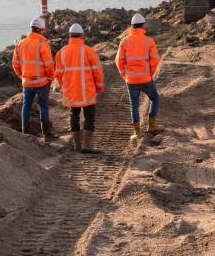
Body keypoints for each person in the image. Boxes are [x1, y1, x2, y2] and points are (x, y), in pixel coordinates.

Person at [54, 23, 104, 153]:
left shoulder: (61, 52)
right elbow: (97, 72)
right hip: (87, 91)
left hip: (71, 91)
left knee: (73, 115)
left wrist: (64, 86)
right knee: (89, 117)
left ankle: (77, 145)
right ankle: (87, 146)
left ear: (69, 36)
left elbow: (58, 74)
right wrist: (98, 87)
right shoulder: (89, 51)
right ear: (82, 35)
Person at [116, 13, 161, 141]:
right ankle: (151, 126)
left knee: (134, 105)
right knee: (155, 99)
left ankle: (137, 133)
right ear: (143, 26)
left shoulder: (124, 41)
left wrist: (125, 76)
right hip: (146, 78)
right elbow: (155, 60)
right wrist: (150, 74)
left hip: (131, 80)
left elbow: (119, 61)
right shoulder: (149, 40)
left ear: (131, 26)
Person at [12, 17, 55, 142]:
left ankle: (25, 133)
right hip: (42, 81)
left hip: (27, 82)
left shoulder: (20, 44)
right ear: (41, 30)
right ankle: (46, 135)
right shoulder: (42, 43)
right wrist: (50, 77)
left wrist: (21, 76)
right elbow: (48, 64)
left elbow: (15, 63)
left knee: (26, 106)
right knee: (43, 107)